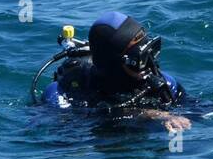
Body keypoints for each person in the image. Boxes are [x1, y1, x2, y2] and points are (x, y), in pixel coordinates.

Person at [41, 11, 191, 132]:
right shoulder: (61, 94)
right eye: (139, 59)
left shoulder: (165, 84)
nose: (149, 65)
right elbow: (55, 140)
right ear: (114, 64)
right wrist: (151, 115)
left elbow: (204, 113)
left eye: (150, 53)